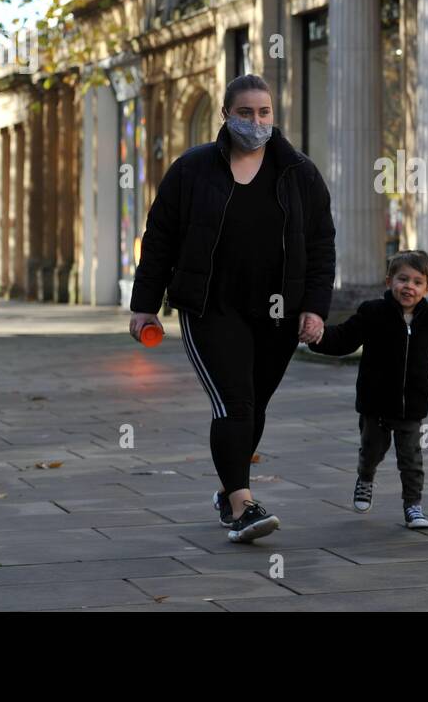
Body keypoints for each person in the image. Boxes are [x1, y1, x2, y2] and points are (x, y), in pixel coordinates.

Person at [128, 73, 335, 543]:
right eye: (245, 112)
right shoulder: (193, 169)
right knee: (235, 403)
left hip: (278, 311)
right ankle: (243, 504)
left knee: (255, 405)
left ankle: (227, 493)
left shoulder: (298, 172)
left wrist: (316, 308)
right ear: (226, 115)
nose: (256, 121)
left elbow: (322, 245)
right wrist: (144, 305)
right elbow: (159, 238)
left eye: (264, 113)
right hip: (211, 307)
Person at [308, 250, 428, 529]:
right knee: (372, 450)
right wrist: (318, 336)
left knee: (411, 460)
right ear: (389, 282)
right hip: (375, 402)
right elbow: (344, 340)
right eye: (402, 279)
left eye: (417, 281)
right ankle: (365, 478)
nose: (409, 286)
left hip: (411, 405)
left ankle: (413, 506)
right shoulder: (372, 312)